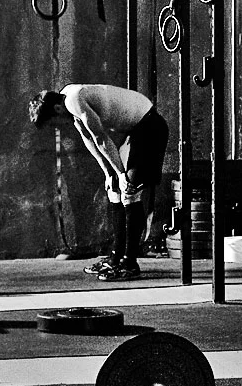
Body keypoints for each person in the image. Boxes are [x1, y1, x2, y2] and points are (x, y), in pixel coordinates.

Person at [29, 84, 169, 281]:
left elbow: (100, 138)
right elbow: (89, 140)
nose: (58, 128)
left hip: (150, 127)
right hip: (135, 132)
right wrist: (109, 173)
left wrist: (120, 173)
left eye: (54, 124)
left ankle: (130, 263)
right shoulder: (67, 100)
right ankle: (116, 258)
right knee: (114, 191)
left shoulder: (74, 99)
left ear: (57, 109)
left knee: (129, 191)